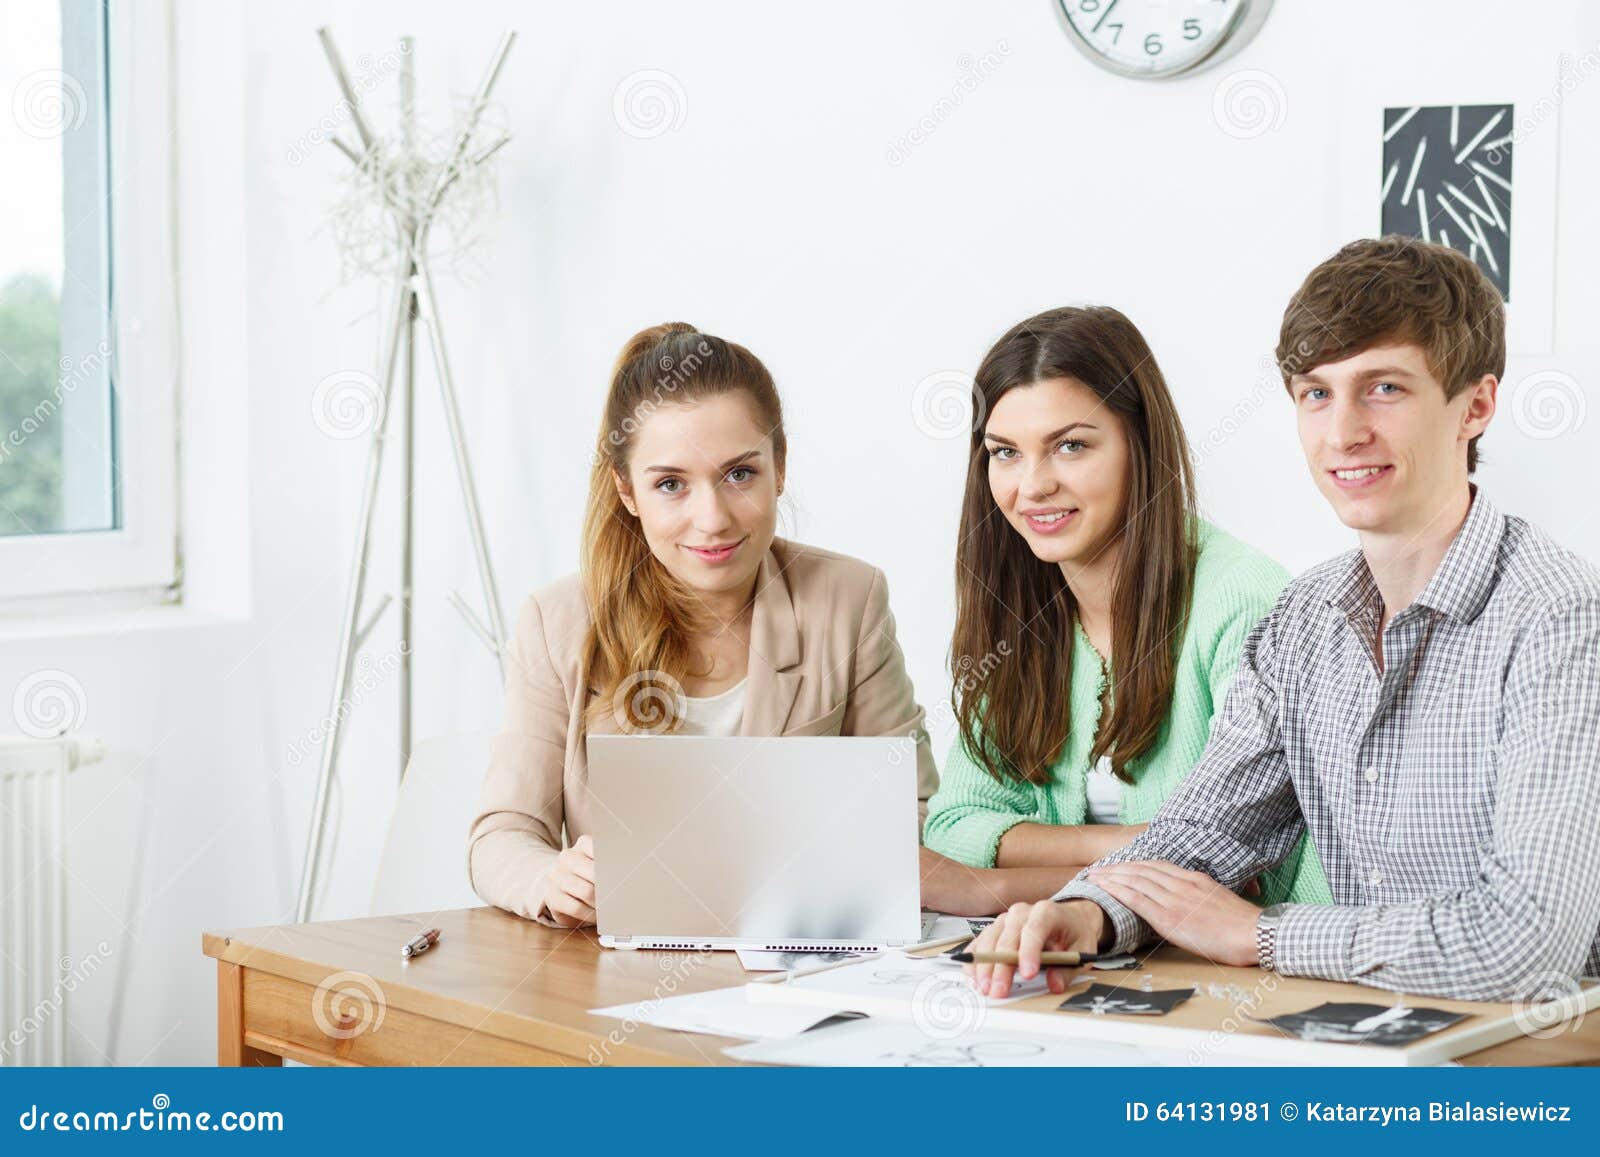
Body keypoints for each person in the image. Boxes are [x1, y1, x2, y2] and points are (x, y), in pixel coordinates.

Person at [967, 238, 1600, 1003]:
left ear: (1476, 405)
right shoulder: (1305, 616)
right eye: (1316, 393)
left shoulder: (1560, 618)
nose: (1343, 432)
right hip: (1366, 1033)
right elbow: (1206, 831)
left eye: (1385, 388)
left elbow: (1527, 944)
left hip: (1529, 1060)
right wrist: (1086, 912)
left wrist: (1259, 933)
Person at [468, 322, 1067, 926]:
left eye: (739, 474)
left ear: (780, 467)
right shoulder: (559, 623)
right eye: (670, 485)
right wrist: (550, 878)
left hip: (799, 952)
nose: (713, 520)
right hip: (614, 971)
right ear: (627, 491)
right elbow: (503, 832)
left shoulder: (848, 600)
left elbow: (909, 810)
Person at [923, 306, 1330, 908]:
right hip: (1084, 951)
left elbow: (1238, 860)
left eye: (1070, 446)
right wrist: (1135, 847)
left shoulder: (1245, 599)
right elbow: (955, 825)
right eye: (1004, 452)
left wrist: (1006, 881)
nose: (1031, 485)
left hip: (1236, 969)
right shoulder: (1017, 606)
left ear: (1139, 446)